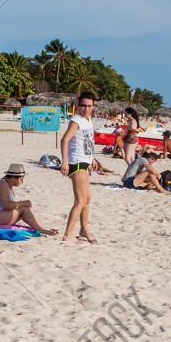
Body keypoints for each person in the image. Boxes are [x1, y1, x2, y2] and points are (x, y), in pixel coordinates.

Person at [59, 91, 97, 243]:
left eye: (89, 106)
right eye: (83, 106)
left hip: (86, 161)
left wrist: (93, 158)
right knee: (80, 201)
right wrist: (64, 161)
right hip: (76, 162)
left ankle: (84, 229)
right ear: (78, 106)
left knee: (87, 198)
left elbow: (86, 142)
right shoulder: (76, 121)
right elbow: (64, 140)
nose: (86, 109)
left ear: (93, 107)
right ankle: (68, 234)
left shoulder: (88, 121)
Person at [0, 162, 56, 234]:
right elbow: (6, 205)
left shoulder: (8, 185)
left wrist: (24, 204)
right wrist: (24, 203)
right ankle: (41, 230)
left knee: (26, 208)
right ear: (13, 177)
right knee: (23, 209)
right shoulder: (2, 185)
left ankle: (42, 228)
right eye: (21, 179)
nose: (22, 181)